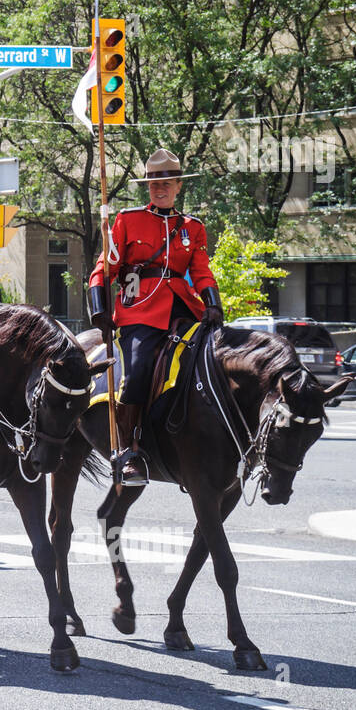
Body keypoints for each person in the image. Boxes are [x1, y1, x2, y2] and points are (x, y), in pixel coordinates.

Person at [87, 148, 223, 489]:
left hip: (182, 307)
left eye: (166, 182)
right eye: (153, 183)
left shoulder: (193, 227)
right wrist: (98, 306)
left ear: (178, 186)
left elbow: (201, 271)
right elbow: (106, 267)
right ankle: (128, 451)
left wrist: (213, 302)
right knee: (135, 372)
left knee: (216, 360)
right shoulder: (127, 220)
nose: (159, 188)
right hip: (140, 309)